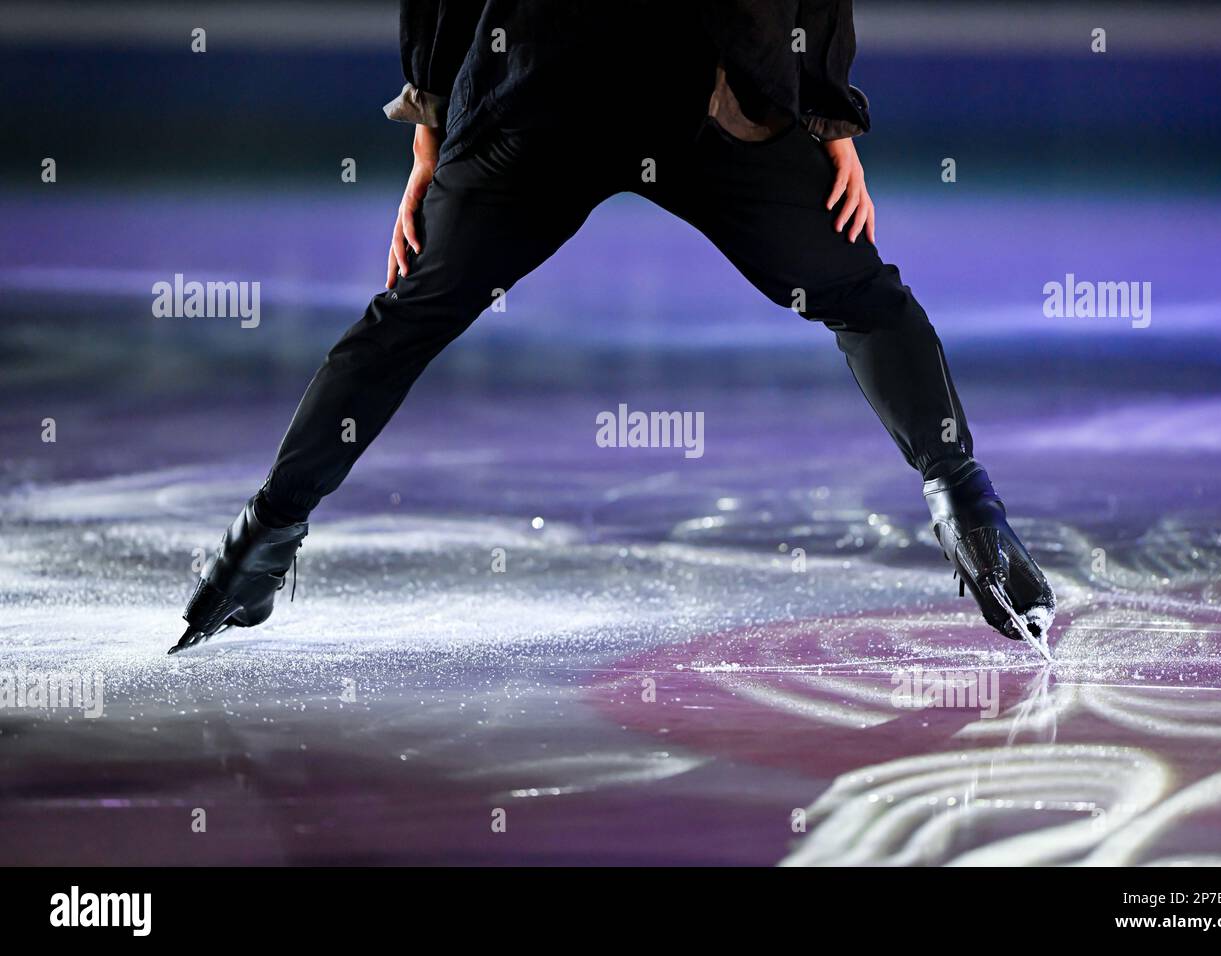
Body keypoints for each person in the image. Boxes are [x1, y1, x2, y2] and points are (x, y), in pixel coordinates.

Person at [171, 1, 1055, 654]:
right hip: (704, 84)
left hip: (548, 88)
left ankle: (259, 544)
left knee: (408, 315)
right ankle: (970, 513)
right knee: (865, 298)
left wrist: (432, 130)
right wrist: (823, 113)